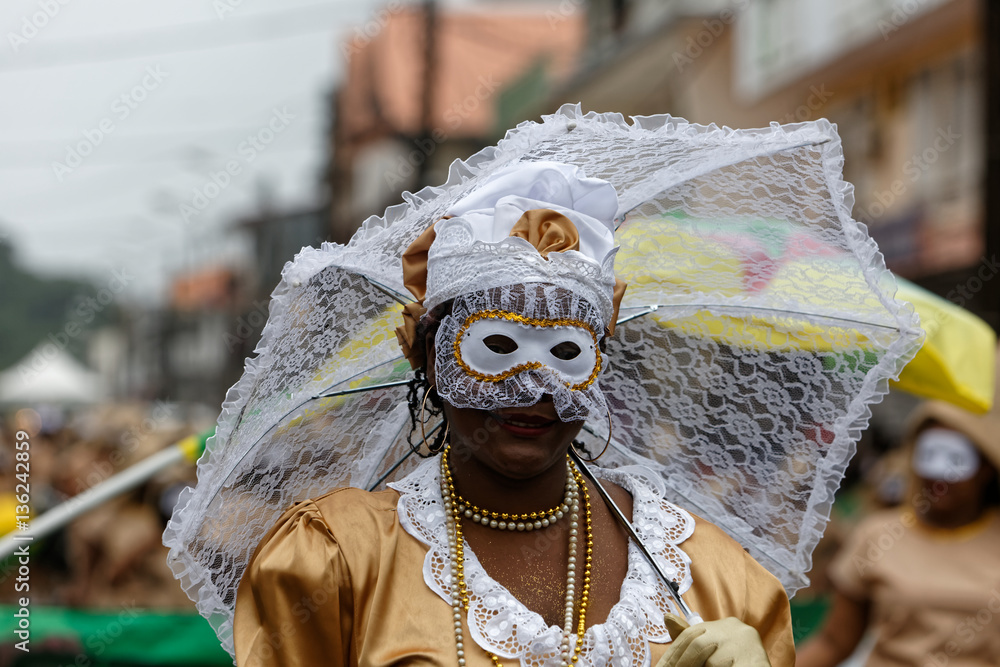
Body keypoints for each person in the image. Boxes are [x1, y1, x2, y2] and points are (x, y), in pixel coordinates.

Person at [232, 163, 794, 666]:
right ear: (427, 354)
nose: (533, 387)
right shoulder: (335, 561)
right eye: (498, 347)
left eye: (565, 352)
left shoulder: (713, 579)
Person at [796, 399, 1000, 666]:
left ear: (984, 466)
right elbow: (834, 642)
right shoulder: (878, 535)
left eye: (955, 458)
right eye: (928, 454)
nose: (939, 473)